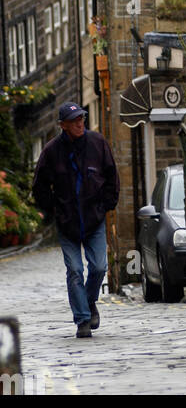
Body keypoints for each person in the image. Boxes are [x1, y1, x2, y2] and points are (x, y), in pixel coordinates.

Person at [32, 102, 120, 339]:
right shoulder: (51, 151)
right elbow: (39, 186)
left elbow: (111, 176)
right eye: (74, 120)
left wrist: (106, 205)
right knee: (74, 270)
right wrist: (54, 211)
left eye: (81, 118)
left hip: (94, 218)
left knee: (100, 266)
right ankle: (82, 320)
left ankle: (89, 302)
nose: (80, 123)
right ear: (63, 126)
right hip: (68, 222)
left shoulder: (97, 143)